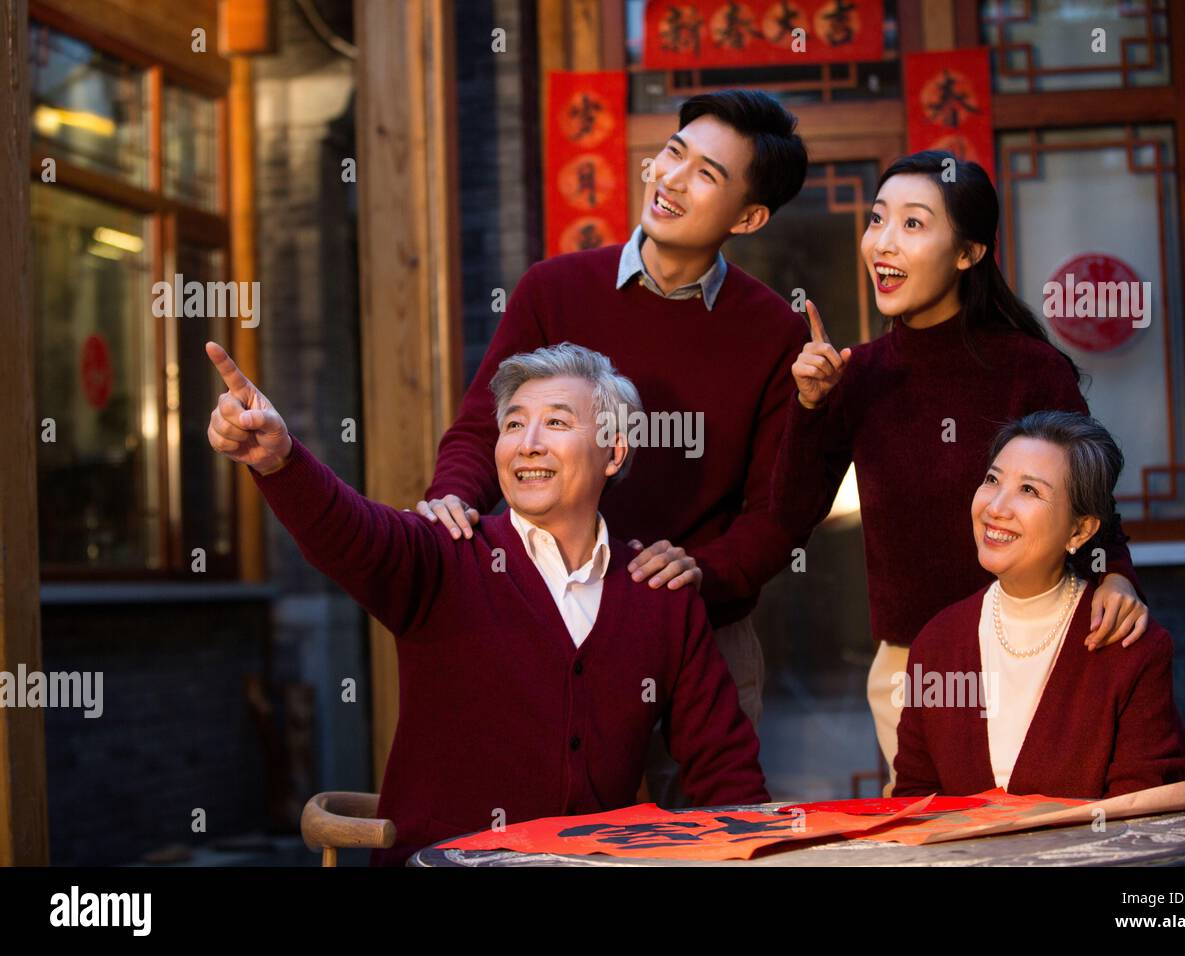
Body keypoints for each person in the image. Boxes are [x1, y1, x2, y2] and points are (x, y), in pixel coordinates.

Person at [204, 340, 768, 865]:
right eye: (514, 424)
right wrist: (280, 460)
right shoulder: (448, 558)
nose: (528, 443)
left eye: (555, 422)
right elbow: (349, 532)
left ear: (614, 451)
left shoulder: (659, 596)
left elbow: (726, 773)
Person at [417, 89, 810, 806]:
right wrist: (451, 496)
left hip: (696, 628)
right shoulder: (554, 288)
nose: (670, 178)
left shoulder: (774, 333)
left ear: (749, 217)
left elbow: (777, 514)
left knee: (713, 831)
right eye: (673, 153)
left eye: (706, 174)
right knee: (544, 833)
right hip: (545, 615)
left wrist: (705, 573)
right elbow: (483, 424)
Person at [771, 151, 1149, 794]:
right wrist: (810, 408)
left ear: (969, 252)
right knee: (938, 848)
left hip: (1039, 646)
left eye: (913, 224)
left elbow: (1091, 505)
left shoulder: (1032, 370)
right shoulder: (857, 374)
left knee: (1045, 841)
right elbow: (790, 516)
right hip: (913, 665)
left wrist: (1114, 576)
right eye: (877, 218)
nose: (883, 242)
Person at [892, 411, 1185, 798]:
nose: (996, 507)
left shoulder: (1130, 647)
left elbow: (1140, 814)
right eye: (992, 480)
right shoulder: (937, 643)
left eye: (1029, 490)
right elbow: (916, 798)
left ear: (1080, 530)